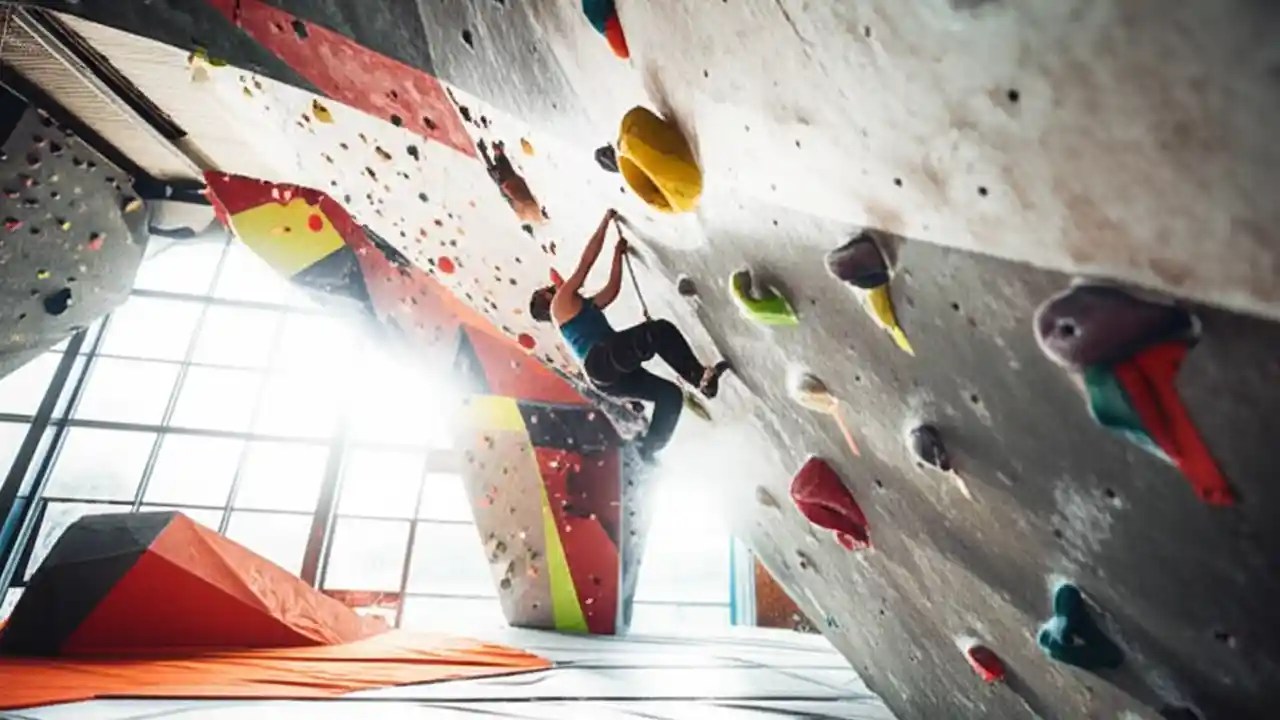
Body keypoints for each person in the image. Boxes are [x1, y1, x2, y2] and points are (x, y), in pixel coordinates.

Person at [529, 208, 730, 459]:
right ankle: (699, 377)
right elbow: (586, 262)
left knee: (670, 395)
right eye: (546, 290)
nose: (551, 286)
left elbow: (611, 291)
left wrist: (617, 254)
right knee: (658, 332)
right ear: (547, 300)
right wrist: (604, 222)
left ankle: (647, 450)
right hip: (600, 362)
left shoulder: (576, 307)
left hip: (607, 377)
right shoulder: (559, 305)